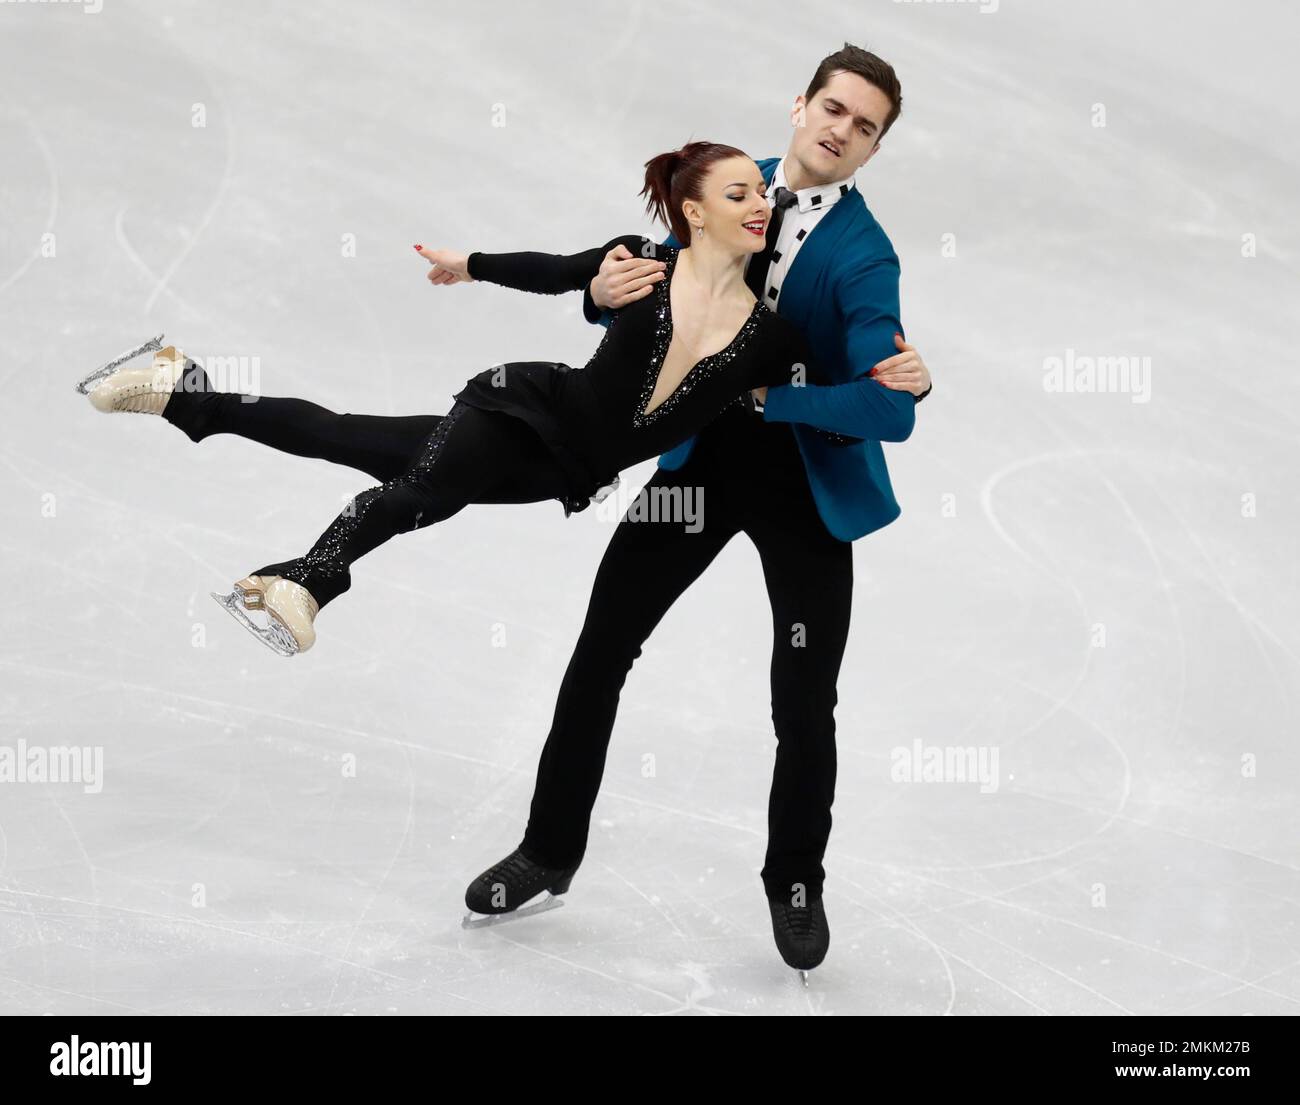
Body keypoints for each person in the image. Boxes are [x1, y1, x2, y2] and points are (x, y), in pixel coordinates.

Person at [463, 43, 931, 978]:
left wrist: (774, 400)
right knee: (601, 648)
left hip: (804, 484)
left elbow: (888, 407)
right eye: (833, 109)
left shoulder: (863, 258)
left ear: (874, 150)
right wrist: (600, 298)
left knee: (803, 698)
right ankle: (549, 849)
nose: (842, 131)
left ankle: (794, 878)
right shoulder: (722, 185)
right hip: (698, 466)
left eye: (865, 126)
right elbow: (656, 295)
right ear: (799, 106)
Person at [78, 141, 904, 663]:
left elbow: (857, 396)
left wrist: (907, 377)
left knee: (345, 436)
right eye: (739, 196)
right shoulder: (642, 267)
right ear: (693, 210)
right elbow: (555, 268)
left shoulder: (769, 337)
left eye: (760, 198)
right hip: (523, 409)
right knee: (423, 495)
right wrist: (468, 262)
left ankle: (182, 391)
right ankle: (308, 579)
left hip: (560, 469)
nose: (761, 203)